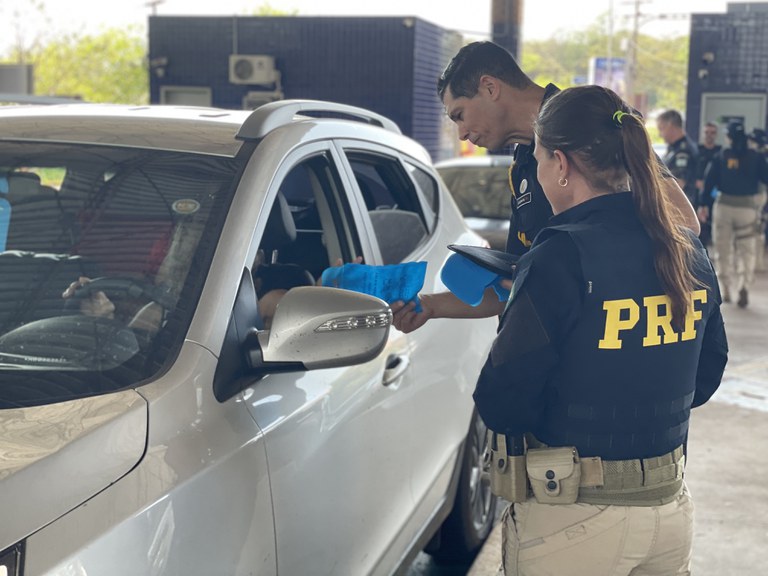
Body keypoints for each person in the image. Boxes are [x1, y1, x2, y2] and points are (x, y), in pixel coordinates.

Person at [477, 84, 727, 576]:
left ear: (562, 165)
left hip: (573, 519)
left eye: (542, 161)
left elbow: (502, 399)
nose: (542, 175)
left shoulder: (560, 254)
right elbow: (706, 377)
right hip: (669, 511)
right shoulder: (686, 248)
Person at [392, 41, 700, 332]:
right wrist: (429, 305)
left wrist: (580, 281)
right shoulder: (523, 164)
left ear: (489, 87)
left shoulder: (587, 121)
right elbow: (513, 285)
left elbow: (684, 224)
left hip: (604, 352)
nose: (460, 133)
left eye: (459, 115)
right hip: (546, 356)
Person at [699, 121, 768, 307]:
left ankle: (726, 288)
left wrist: (703, 204)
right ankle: (743, 284)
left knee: (723, 249)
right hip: (747, 209)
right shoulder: (756, 156)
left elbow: (708, 182)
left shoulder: (721, 155)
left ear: (728, 137)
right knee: (746, 250)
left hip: (724, 208)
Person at [657, 109, 700, 207]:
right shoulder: (674, 148)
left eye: (661, 128)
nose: (660, 134)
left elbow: (678, 184)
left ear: (670, 126)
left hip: (679, 208)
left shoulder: (684, 151)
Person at [694, 122, 722, 246]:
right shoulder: (696, 151)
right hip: (697, 193)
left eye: (712, 133)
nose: (709, 135)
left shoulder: (720, 152)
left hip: (715, 194)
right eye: (707, 132)